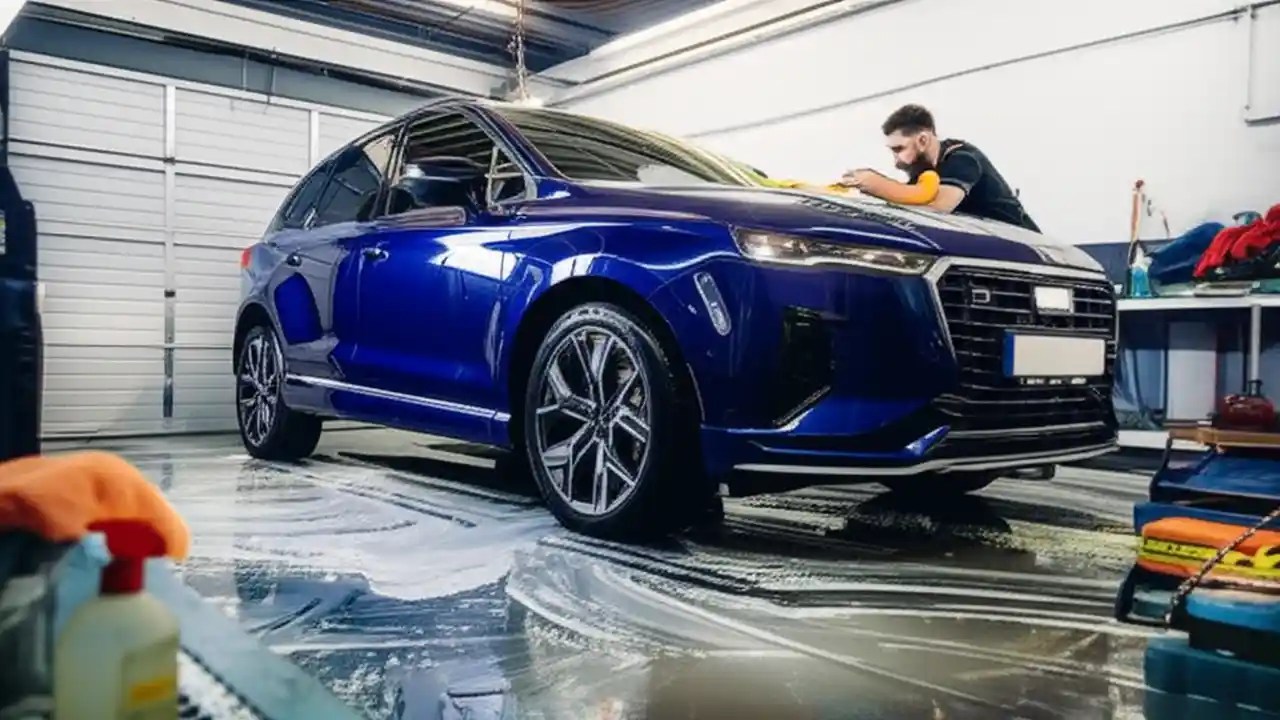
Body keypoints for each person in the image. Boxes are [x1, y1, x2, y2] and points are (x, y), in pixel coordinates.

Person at [842, 104, 1040, 232]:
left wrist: (875, 184)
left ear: (923, 140)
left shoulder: (963, 158)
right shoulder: (925, 174)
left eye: (899, 149)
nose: (897, 162)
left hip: (1024, 246)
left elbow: (936, 210)